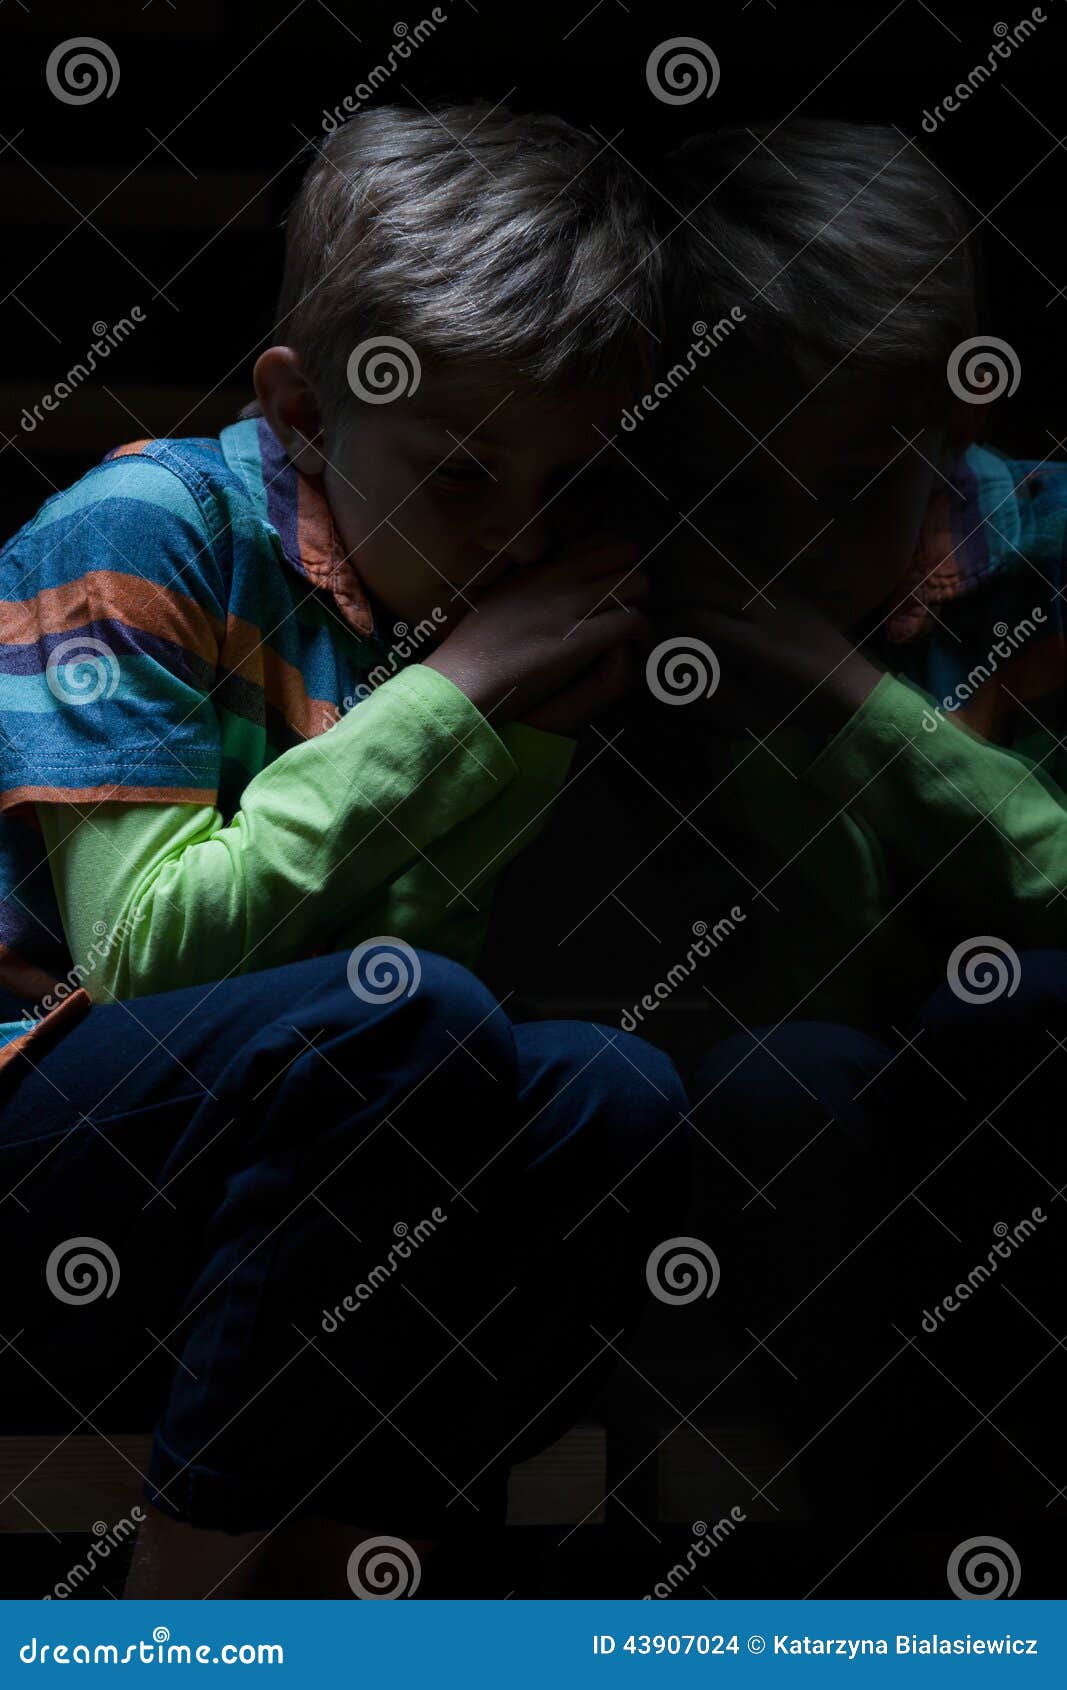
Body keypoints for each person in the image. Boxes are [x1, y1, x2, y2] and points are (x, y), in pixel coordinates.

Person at [0, 102, 690, 1596]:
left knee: (609, 1090)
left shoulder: (457, 616)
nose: (512, 540)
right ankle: (184, 1605)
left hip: (252, 1177)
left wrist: (503, 730)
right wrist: (452, 704)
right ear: (304, 407)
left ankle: (361, 1568)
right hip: (36, 1151)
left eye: (558, 488)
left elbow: (409, 975)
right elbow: (136, 965)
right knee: (410, 1015)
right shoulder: (139, 527)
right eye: (459, 474)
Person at [639, 120, 1067, 1523]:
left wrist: (845, 694)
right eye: (751, 488)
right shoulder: (674, 615)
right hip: (818, 1125)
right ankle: (902, 1570)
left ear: (959, 425)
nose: (798, 546)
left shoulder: (1050, 549)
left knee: (1013, 1014)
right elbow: (782, 972)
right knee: (787, 1075)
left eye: (845, 489)